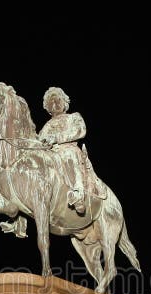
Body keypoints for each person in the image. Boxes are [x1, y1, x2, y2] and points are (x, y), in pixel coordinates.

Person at [38, 87, 92, 215]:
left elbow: (80, 131)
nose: (55, 103)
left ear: (65, 102)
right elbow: (39, 141)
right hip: (50, 155)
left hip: (68, 150)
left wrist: (56, 138)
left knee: (69, 154)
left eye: (58, 99)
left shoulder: (73, 117)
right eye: (50, 102)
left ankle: (78, 193)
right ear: (47, 108)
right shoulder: (46, 126)